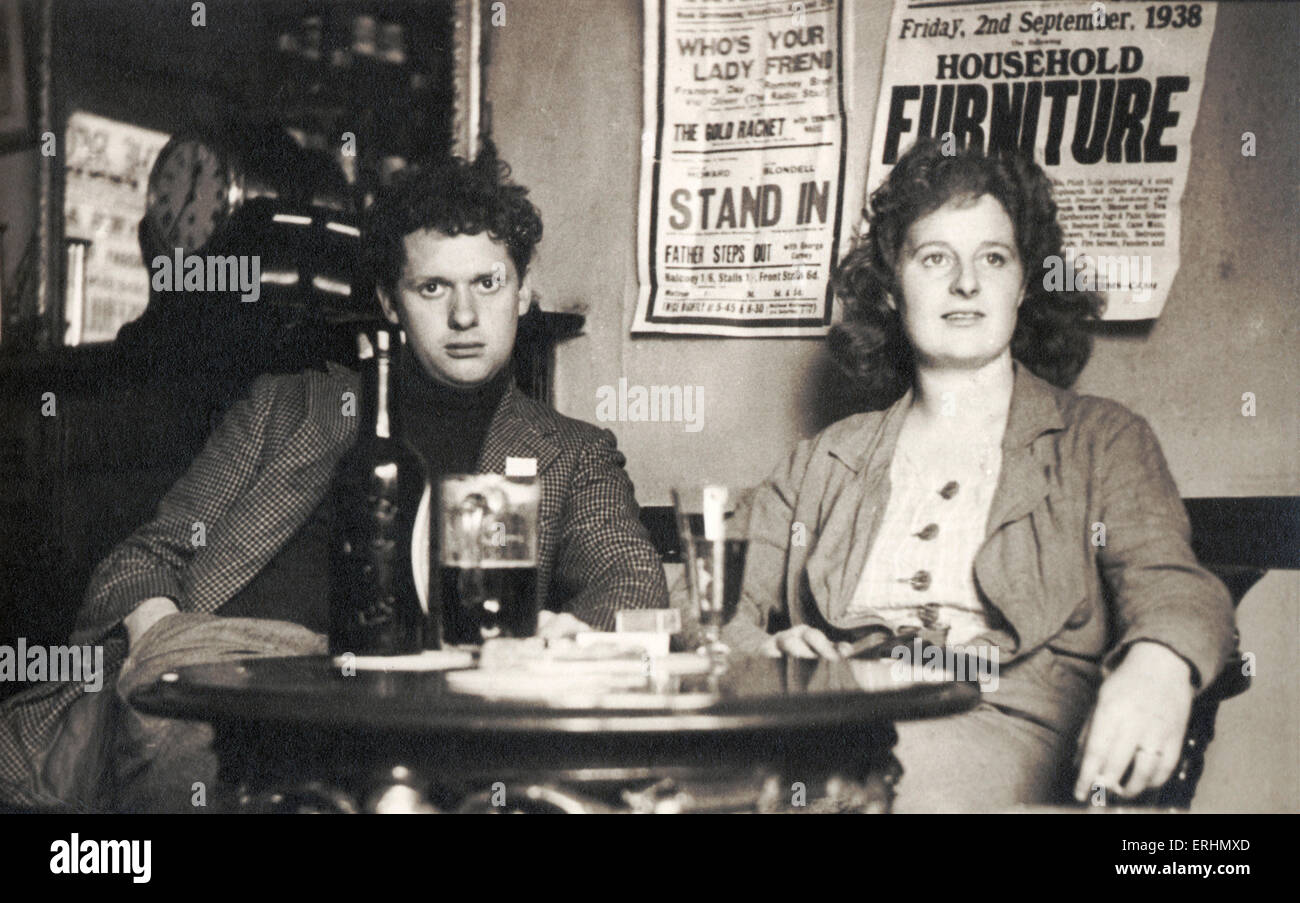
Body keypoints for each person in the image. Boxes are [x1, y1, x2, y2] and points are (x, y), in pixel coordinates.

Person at [0, 146, 668, 812]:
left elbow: (633, 584)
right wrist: (166, 646)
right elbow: (143, 557)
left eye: (487, 284)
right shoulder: (285, 407)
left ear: (521, 291)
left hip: (387, 718)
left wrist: (563, 638)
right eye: (433, 287)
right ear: (389, 300)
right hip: (213, 684)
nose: (464, 315)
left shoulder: (571, 452)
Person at [723, 139, 1235, 812]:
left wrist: (1160, 664)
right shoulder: (824, 460)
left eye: (993, 257)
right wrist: (766, 653)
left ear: (1023, 283)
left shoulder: (1101, 439)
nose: (966, 282)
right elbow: (715, 602)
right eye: (935, 257)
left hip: (1004, 739)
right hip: (828, 733)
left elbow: (1173, 584)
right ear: (891, 284)